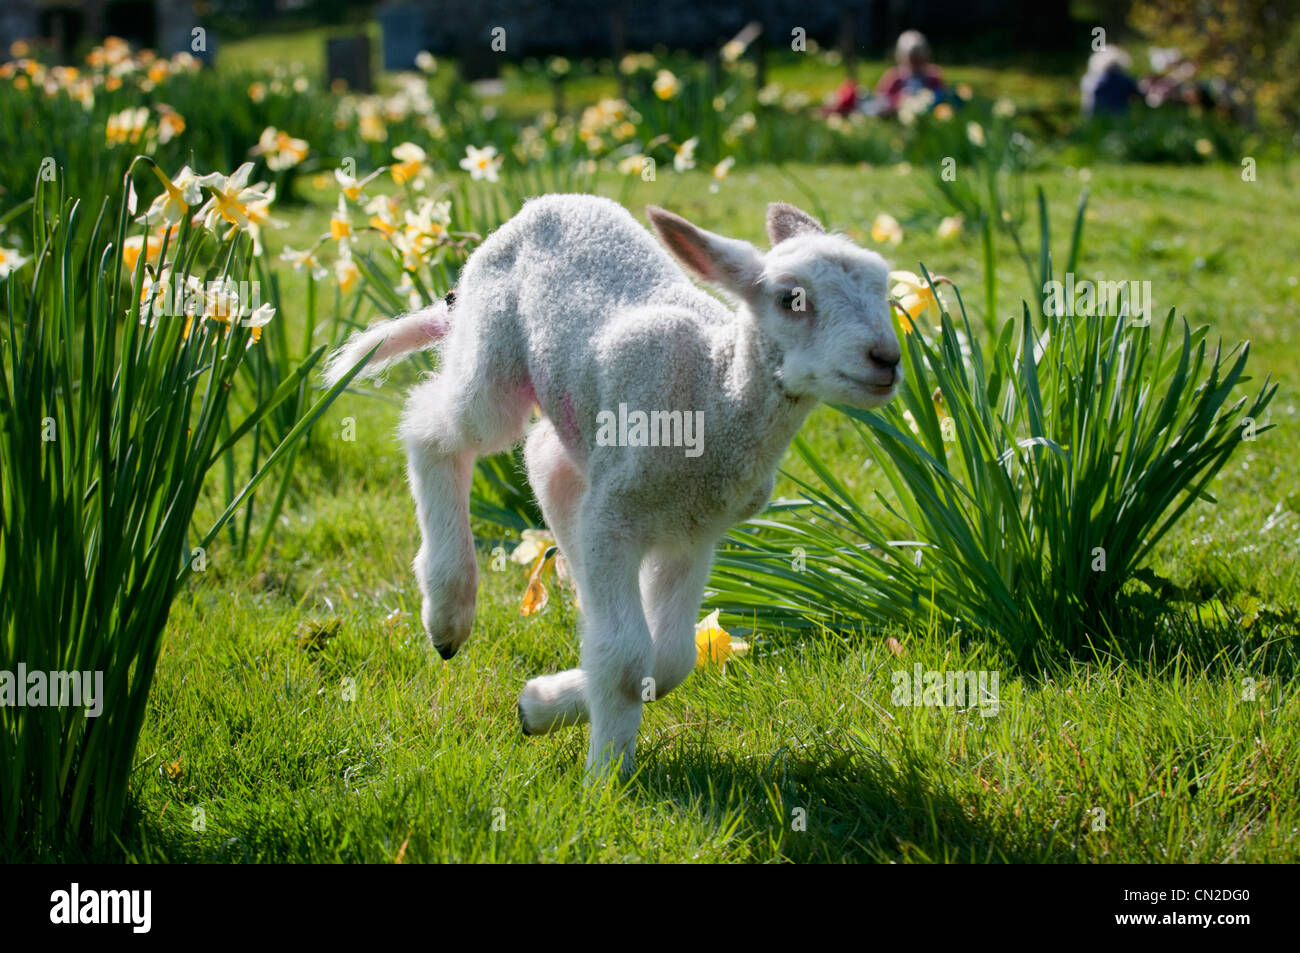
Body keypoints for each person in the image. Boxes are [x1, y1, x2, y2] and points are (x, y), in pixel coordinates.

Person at [873, 31, 946, 117]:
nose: (916, 62)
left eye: (918, 57)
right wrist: (899, 100)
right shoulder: (896, 76)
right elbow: (881, 98)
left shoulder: (932, 75)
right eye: (912, 58)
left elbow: (942, 95)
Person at [1080, 47, 1141, 117]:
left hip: (1094, 119)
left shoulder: (1089, 80)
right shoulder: (1124, 79)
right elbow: (1138, 94)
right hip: (1118, 119)